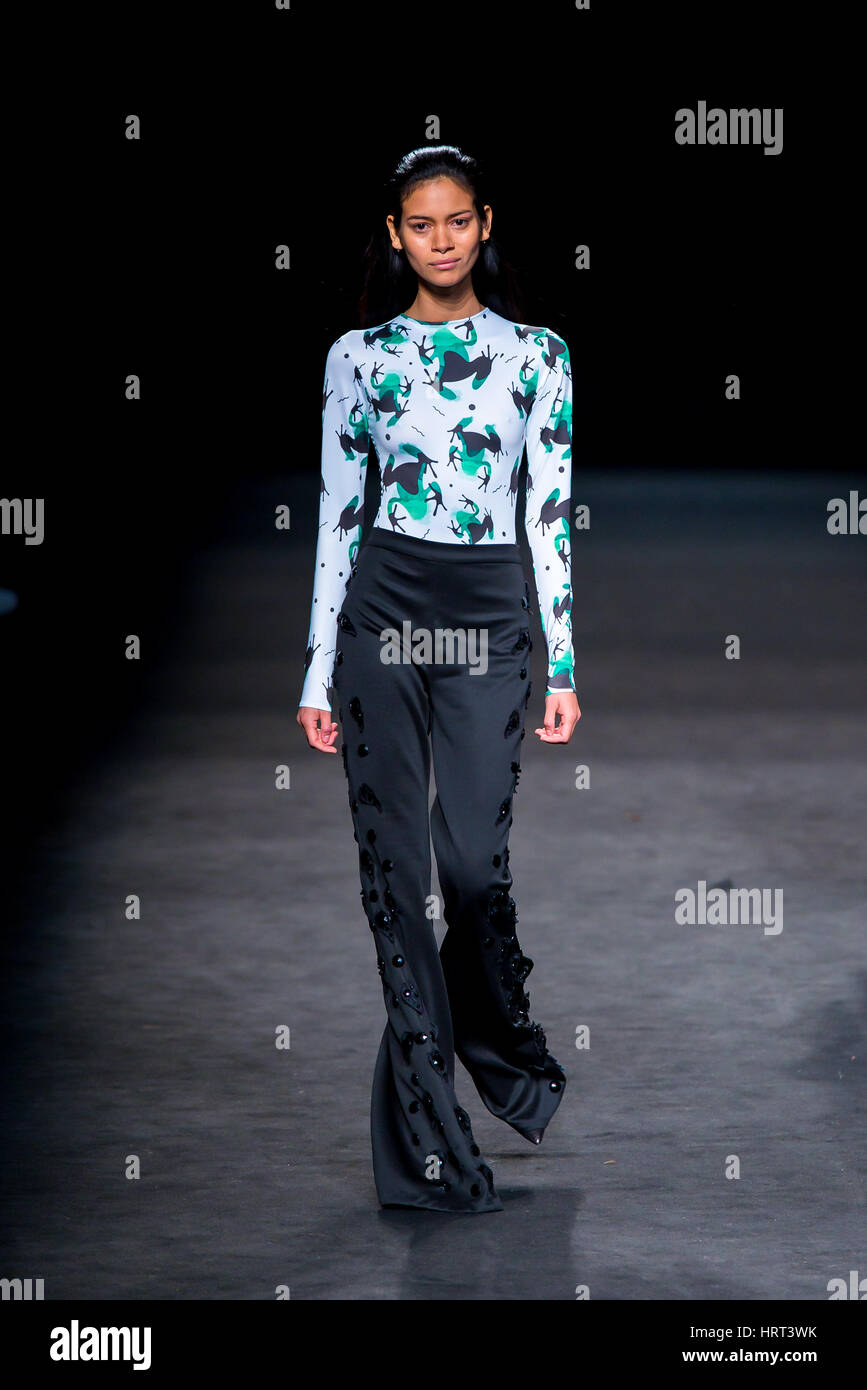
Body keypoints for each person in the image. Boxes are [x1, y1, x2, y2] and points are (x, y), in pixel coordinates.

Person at [296, 145, 581, 1213]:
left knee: (468, 868)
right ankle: (427, 1148)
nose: (444, 239)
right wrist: (318, 670)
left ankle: (501, 1057)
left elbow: (546, 513)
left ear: (485, 222)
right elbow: (337, 511)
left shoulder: (539, 355)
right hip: (382, 614)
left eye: (460, 220)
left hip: (486, 621)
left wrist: (561, 660)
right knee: (395, 885)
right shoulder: (357, 358)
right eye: (424, 224)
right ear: (395, 235)